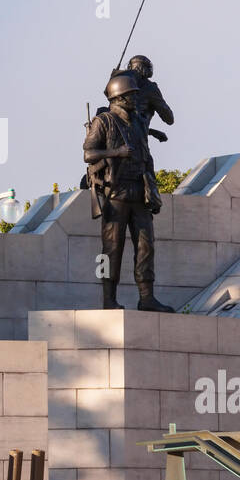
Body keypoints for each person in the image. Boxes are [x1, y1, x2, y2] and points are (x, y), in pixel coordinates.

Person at [84, 72, 172, 312]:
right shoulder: (104, 122)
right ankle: (108, 299)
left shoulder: (139, 122)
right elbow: (88, 154)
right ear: (119, 98)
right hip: (116, 194)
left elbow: (146, 155)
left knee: (146, 246)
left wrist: (152, 190)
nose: (136, 98)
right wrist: (116, 153)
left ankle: (147, 298)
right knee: (111, 249)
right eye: (132, 95)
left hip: (139, 192)